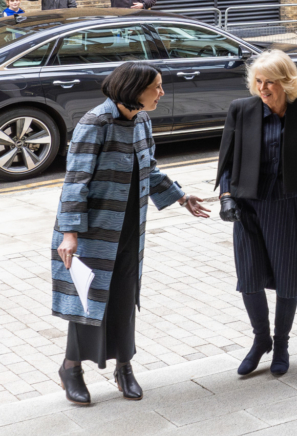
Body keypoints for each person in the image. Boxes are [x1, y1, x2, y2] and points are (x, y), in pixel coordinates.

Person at [52, 62, 209, 405]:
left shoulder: (141, 120)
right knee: (89, 301)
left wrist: (181, 196)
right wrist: (70, 233)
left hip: (129, 229)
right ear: (134, 90)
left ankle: (124, 368)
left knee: (124, 298)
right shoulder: (95, 123)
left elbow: (148, 169)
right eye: (157, 86)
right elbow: (75, 182)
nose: (162, 92)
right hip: (90, 232)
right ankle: (71, 369)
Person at [216, 50, 297, 378]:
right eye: (258, 81)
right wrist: (226, 198)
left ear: (287, 82)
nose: (263, 88)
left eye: (270, 82)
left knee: (287, 277)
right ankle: (261, 340)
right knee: (249, 278)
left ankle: (281, 344)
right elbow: (226, 162)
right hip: (247, 206)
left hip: (290, 203)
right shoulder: (241, 110)